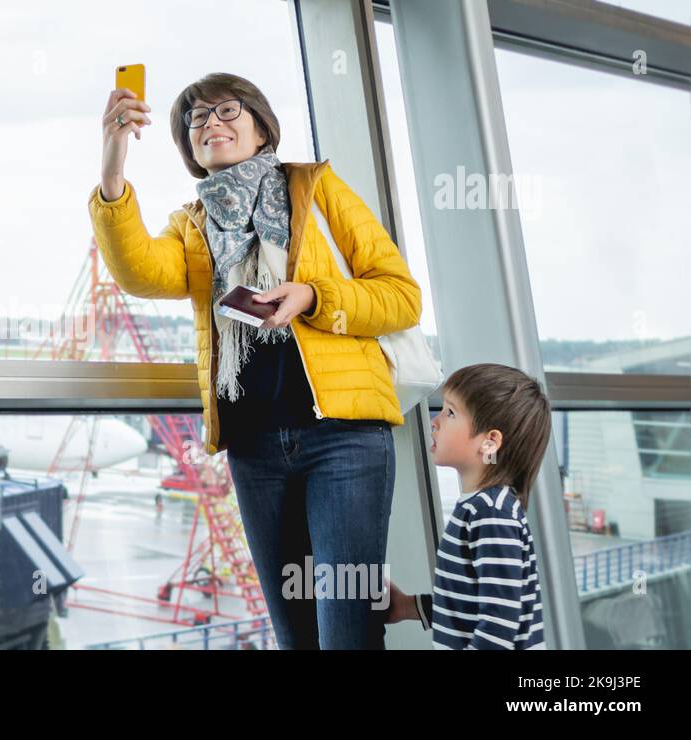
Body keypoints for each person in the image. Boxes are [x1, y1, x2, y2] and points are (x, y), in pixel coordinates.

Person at [89, 72, 422, 648]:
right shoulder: (193, 225)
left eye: (226, 110)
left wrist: (314, 296)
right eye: (196, 120)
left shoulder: (316, 190)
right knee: (295, 637)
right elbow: (139, 271)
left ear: (263, 125)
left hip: (343, 439)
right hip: (254, 449)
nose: (210, 123)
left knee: (347, 633)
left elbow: (401, 296)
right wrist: (113, 169)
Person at [385, 363, 551, 649]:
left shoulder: (491, 513)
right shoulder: (481, 508)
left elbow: (499, 621)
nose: (435, 422)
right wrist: (408, 607)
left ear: (490, 442)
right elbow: (469, 605)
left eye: (450, 412)